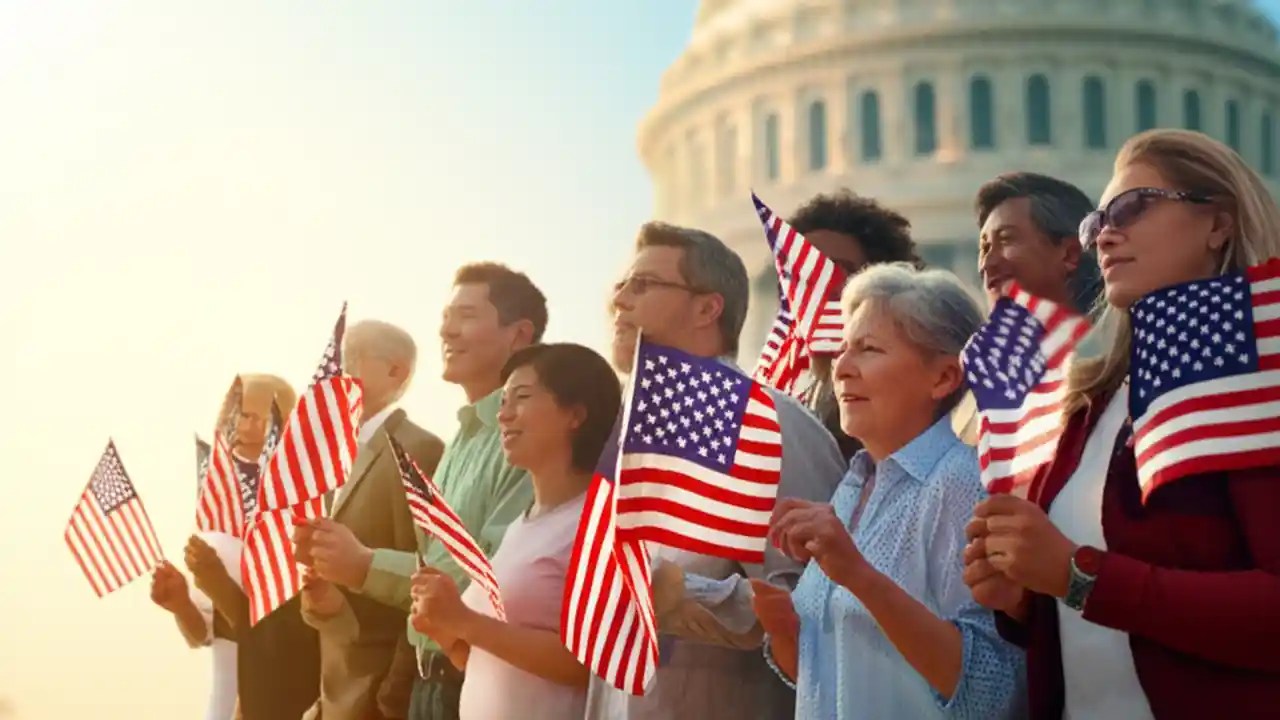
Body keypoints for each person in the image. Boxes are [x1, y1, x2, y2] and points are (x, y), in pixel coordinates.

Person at [963, 129, 1280, 718]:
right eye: (1096, 222)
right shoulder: (1092, 405)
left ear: (1219, 223)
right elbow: (1093, 625)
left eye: (1134, 207)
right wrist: (1023, 601)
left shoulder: (1258, 386)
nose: (1105, 235)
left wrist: (1081, 577)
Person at [587, 222, 846, 720]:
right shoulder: (628, 441)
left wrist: (680, 592)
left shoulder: (767, 426)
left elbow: (818, 609)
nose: (619, 301)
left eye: (643, 285)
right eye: (620, 286)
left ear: (708, 308)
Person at [752, 263, 1025, 719]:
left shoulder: (959, 484)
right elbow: (834, 675)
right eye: (842, 349)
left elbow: (990, 691)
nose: (840, 368)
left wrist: (858, 574)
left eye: (868, 349)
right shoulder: (853, 486)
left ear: (943, 378)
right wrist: (784, 631)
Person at [306, 263, 545, 720]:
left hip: (477, 679)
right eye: (445, 316)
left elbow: (486, 573)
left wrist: (363, 564)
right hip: (426, 680)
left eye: (466, 315)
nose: (447, 330)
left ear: (518, 334)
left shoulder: (521, 440)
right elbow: (431, 563)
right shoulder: (462, 439)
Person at [408, 343, 621, 719]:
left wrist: (464, 621)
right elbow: (491, 662)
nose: (503, 416)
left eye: (521, 398)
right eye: (502, 402)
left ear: (576, 414)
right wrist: (446, 630)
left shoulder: (599, 522)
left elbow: (587, 667)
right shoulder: (522, 526)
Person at [294, 320, 445, 720]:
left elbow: (426, 574)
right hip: (332, 692)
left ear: (396, 371)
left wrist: (390, 696)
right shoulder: (333, 459)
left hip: (380, 696)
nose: (335, 374)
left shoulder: (419, 450)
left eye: (349, 361)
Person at [152, 374, 321, 720]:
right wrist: (182, 603)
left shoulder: (303, 495)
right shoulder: (215, 487)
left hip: (283, 683)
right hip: (226, 684)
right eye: (242, 413)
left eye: (260, 416)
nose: (248, 423)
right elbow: (204, 634)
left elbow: (280, 626)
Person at [787, 190, 921, 462]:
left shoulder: (891, 389)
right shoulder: (796, 392)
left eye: (832, 271)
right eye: (801, 273)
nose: (814, 287)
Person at [976, 171, 1102, 315]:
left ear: (1070, 254)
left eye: (1006, 239)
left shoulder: (1118, 336)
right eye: (984, 248)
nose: (987, 264)